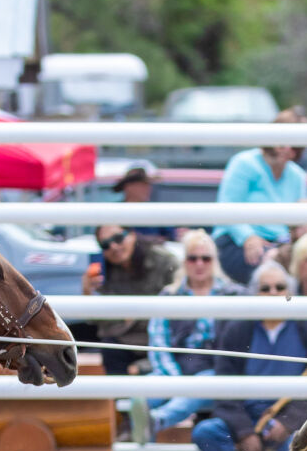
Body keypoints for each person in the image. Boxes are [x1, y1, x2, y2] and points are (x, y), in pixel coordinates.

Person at [191, 262, 307, 451]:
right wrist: (244, 432)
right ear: (254, 294)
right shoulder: (237, 330)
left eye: (280, 287)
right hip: (246, 415)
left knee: (297, 442)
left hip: (291, 419)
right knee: (206, 433)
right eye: (265, 289)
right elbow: (225, 388)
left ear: (291, 291)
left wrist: (287, 422)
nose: (274, 293)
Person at [147, 229, 240, 436]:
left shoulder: (233, 294)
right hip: (174, 369)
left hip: (216, 370)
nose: (199, 264)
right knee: (141, 397)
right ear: (184, 261)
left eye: (206, 258)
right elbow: (158, 345)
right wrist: (176, 381)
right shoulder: (169, 296)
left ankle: (157, 420)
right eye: (193, 258)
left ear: (214, 261)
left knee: (201, 385)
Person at [212, 108, 307, 284]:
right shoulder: (244, 163)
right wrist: (249, 237)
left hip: (282, 246)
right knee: (266, 271)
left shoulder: (298, 175)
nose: (287, 149)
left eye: (294, 145)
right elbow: (227, 207)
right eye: (282, 142)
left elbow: (300, 222)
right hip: (238, 241)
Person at [80, 224, 179, 377]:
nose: (113, 247)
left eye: (118, 238)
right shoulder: (105, 272)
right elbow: (97, 321)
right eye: (105, 244)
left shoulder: (164, 260)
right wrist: (88, 291)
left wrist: (129, 316)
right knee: (109, 346)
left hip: (159, 339)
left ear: (133, 235)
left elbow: (178, 311)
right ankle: (119, 398)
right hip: (125, 341)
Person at [113, 160, 178, 244]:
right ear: (128, 186)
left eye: (148, 184)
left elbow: (171, 235)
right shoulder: (114, 211)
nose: (148, 188)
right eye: (143, 184)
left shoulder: (155, 212)